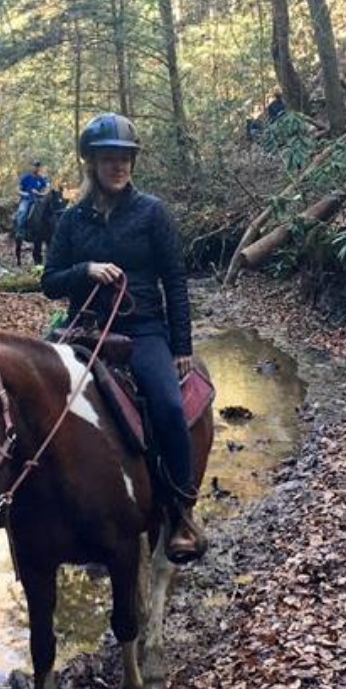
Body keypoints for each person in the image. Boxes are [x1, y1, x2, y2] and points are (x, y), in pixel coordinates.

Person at [42, 113, 207, 564]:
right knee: (34, 401)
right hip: (83, 331)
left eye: (124, 159)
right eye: (108, 159)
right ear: (92, 163)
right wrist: (85, 270)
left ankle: (180, 512)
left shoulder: (152, 212)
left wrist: (181, 346)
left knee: (168, 407)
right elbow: (50, 281)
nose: (118, 166)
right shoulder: (72, 220)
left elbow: (174, 281)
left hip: (142, 330)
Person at [14, 160, 49, 239]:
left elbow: (46, 189)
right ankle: (20, 231)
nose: (36, 168)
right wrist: (24, 193)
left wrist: (40, 193)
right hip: (26, 199)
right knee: (22, 212)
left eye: (38, 166)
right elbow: (18, 190)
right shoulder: (26, 178)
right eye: (35, 166)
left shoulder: (41, 179)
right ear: (31, 167)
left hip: (38, 200)